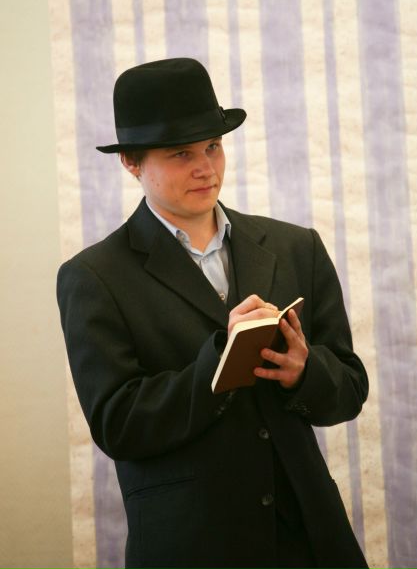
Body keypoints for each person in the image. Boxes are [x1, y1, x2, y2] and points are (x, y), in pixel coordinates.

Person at [57, 57, 369, 569]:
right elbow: (118, 425)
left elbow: (350, 390)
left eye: (213, 146)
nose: (206, 167)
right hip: (191, 542)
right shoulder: (93, 277)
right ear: (131, 162)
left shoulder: (296, 247)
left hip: (309, 539)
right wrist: (220, 361)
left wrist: (304, 371)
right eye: (181, 153)